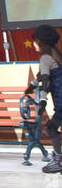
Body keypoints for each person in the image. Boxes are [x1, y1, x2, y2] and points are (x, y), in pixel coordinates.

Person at [34, 27, 62, 173]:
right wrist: (31, 86)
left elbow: (45, 81)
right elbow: (40, 77)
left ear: (40, 42)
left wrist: (42, 102)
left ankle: (59, 160)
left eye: (35, 41)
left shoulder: (45, 58)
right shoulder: (57, 57)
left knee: (50, 128)